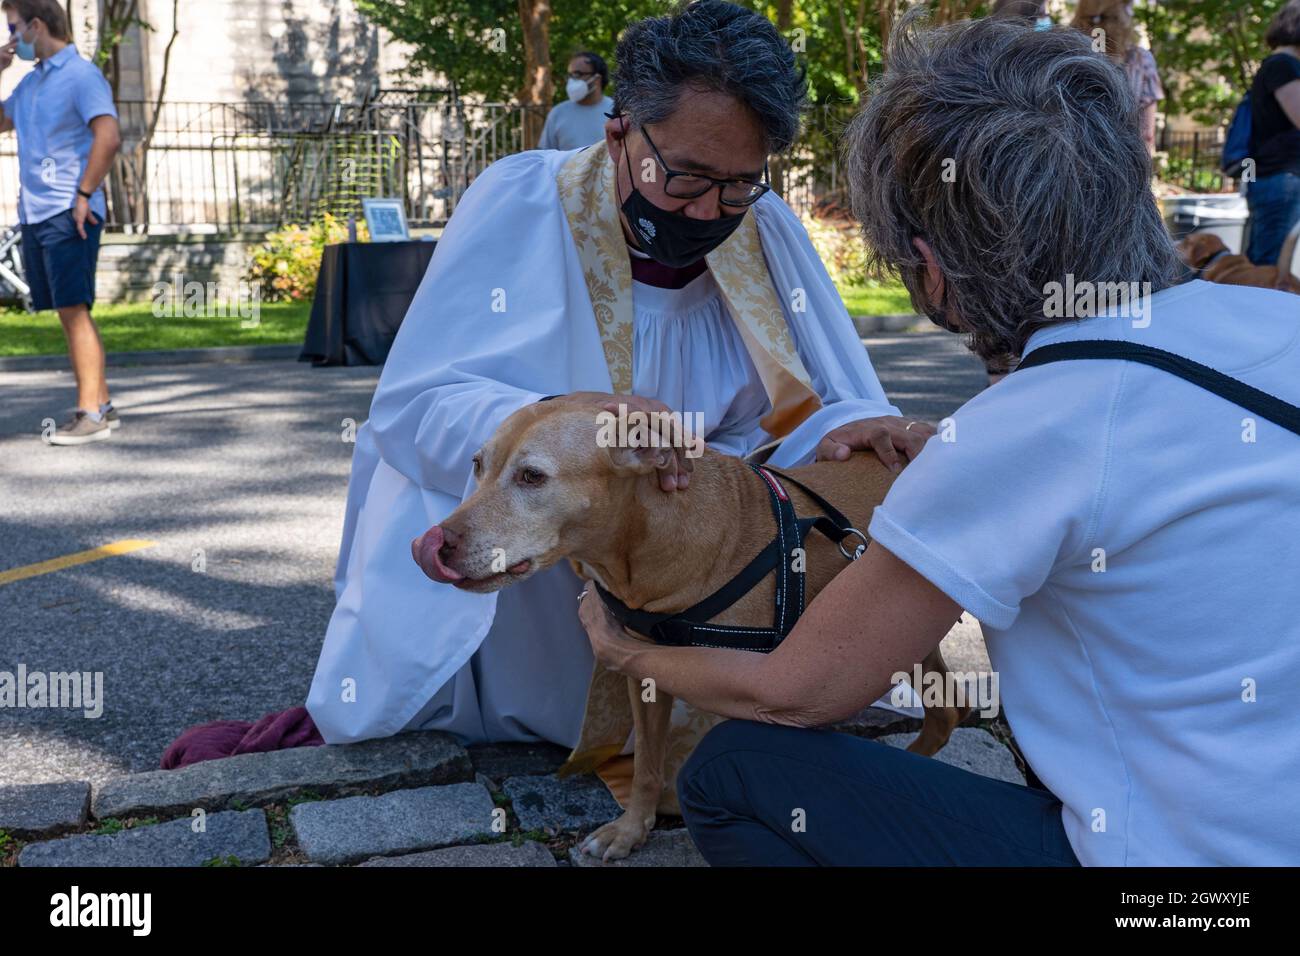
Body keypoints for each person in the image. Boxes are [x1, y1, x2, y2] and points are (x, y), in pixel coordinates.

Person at [578, 11, 1300, 866]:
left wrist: (624, 647)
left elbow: (798, 694)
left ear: (934, 266)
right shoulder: (1275, 315)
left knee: (738, 768)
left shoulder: (1020, 431)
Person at [162, 1, 931, 768]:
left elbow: (800, 417)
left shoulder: (764, 230)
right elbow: (414, 406)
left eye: (738, 185)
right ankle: (555, 716)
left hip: (713, 550)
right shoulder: (522, 201)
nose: (709, 209)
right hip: (544, 562)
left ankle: (729, 706)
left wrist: (848, 428)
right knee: (546, 495)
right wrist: (573, 428)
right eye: (687, 177)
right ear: (620, 127)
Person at [0, 0, 121, 445]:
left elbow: (108, 135)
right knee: (67, 311)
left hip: (71, 209)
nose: (11, 37)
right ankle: (103, 403)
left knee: (74, 309)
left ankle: (90, 414)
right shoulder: (31, 85)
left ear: (36, 25)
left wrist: (85, 194)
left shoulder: (81, 75)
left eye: (13, 27)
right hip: (35, 212)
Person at [1244, 0, 1300, 268]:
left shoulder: (1279, 64)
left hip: (1275, 178)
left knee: (1267, 265)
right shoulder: (1283, 65)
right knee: (1268, 270)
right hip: (1280, 178)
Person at [1072, 0, 1162, 156]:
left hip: (1072, 159)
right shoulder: (1140, 60)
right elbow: (1147, 134)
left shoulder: (1067, 55)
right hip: (1121, 163)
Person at [537, 51, 614, 151]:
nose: (572, 80)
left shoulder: (616, 111)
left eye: (577, 74)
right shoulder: (557, 113)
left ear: (597, 79)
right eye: (570, 75)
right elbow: (545, 155)